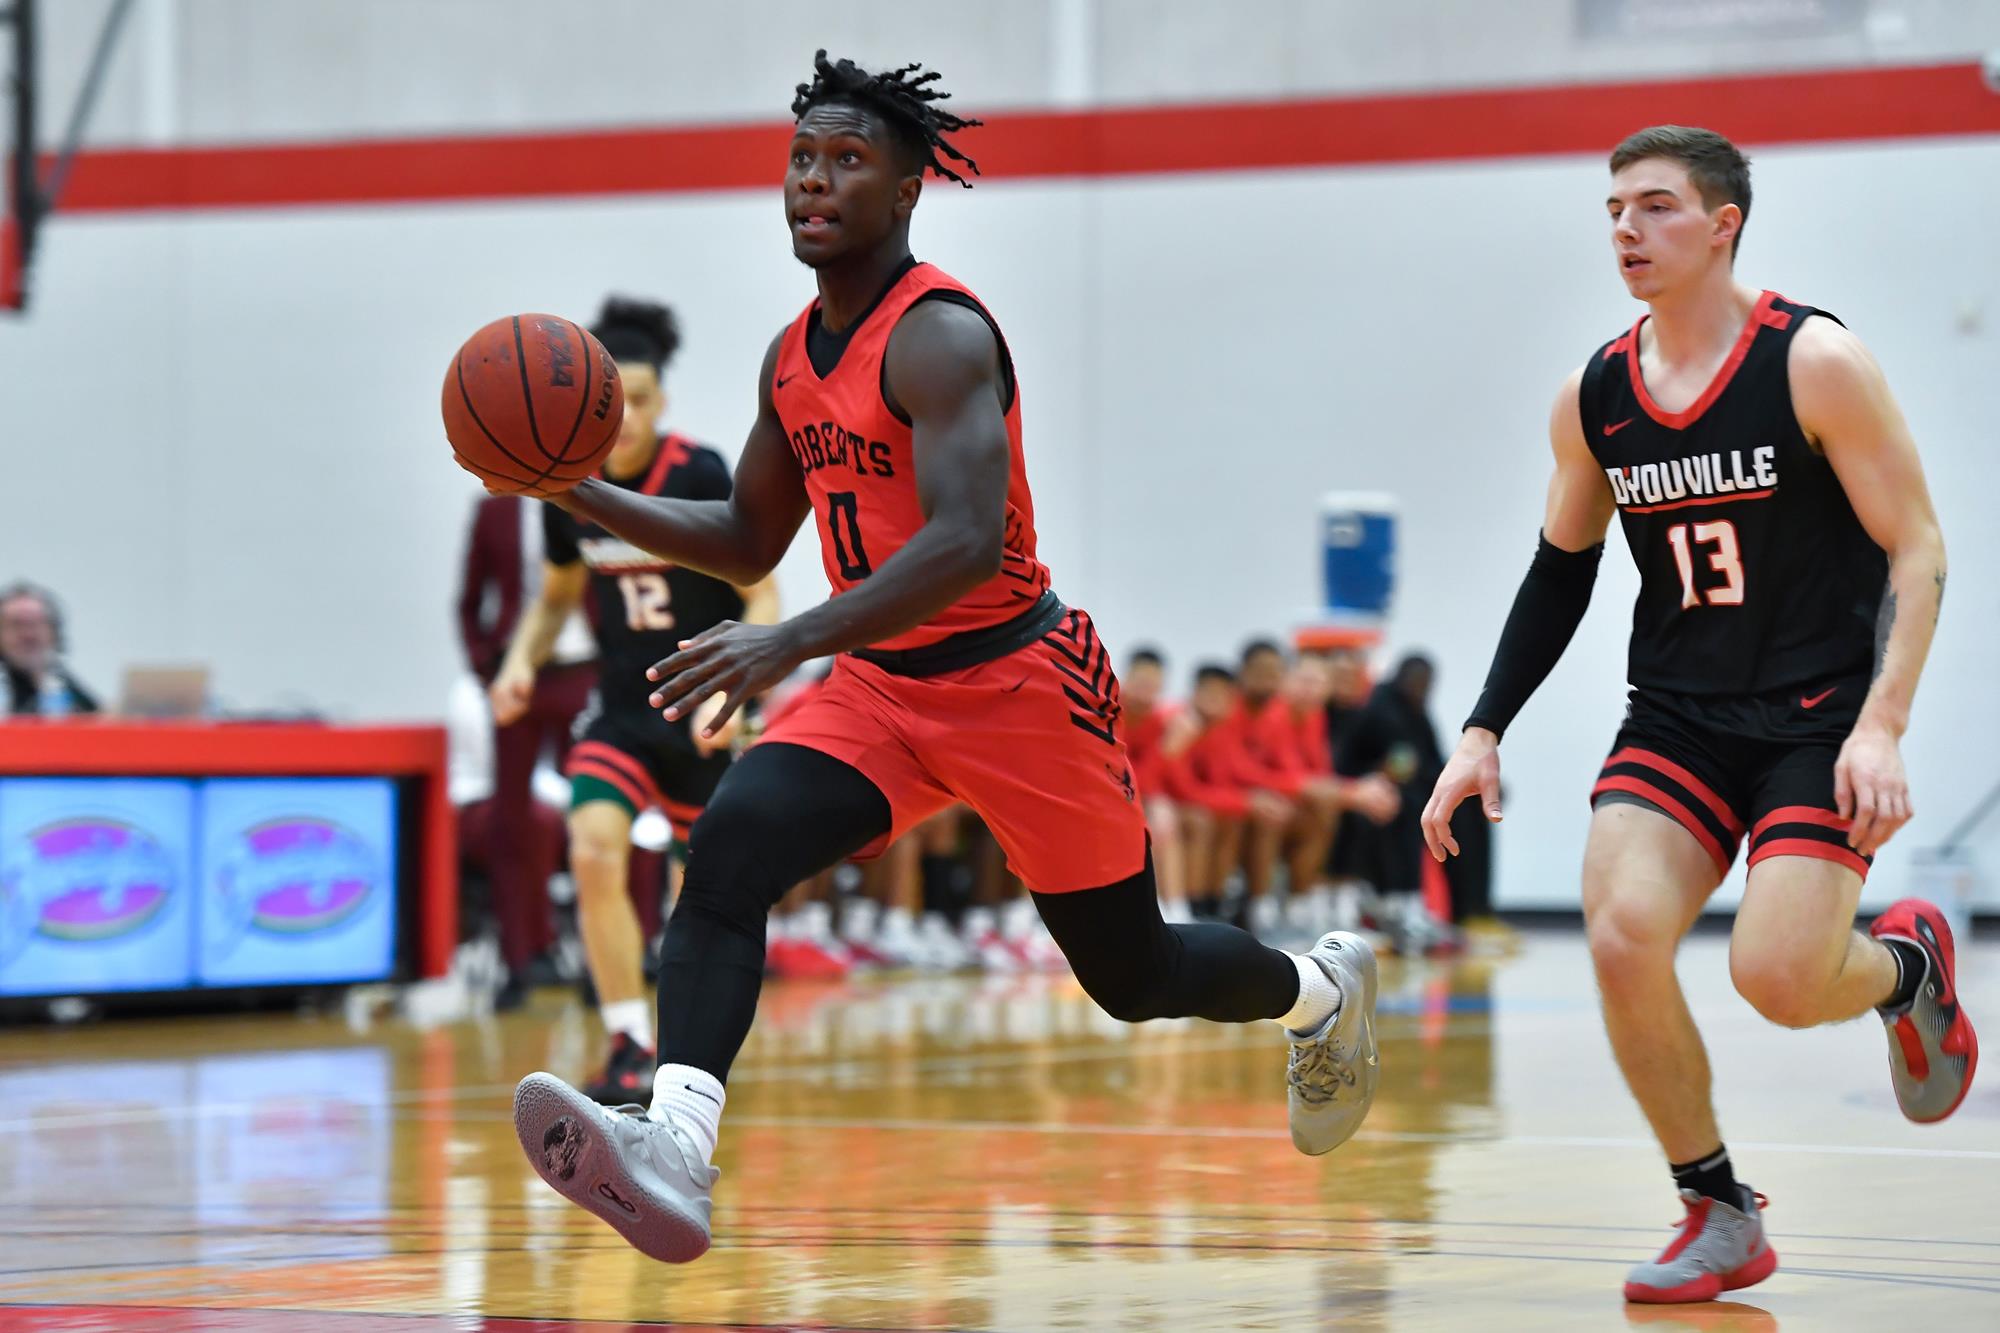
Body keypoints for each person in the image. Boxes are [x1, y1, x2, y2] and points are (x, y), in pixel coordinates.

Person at [510, 51, 1381, 1265]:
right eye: (801, 159)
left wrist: (787, 638)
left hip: (1018, 683)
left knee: (1133, 976)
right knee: (729, 850)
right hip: (879, 687)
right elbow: (748, 533)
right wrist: (574, 488)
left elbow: (967, 543)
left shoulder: (939, 336)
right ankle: (675, 1146)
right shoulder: (789, 355)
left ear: (908, 188)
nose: (814, 181)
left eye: (847, 160)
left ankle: (1321, 991)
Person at [1421, 126, 1973, 1305]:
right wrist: (1479, 728)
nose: (1626, 228)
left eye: (1655, 206)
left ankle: (1904, 968)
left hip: (1816, 716)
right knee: (1620, 932)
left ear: (1722, 225)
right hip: (1676, 715)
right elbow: (1558, 569)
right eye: (1613, 209)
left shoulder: (1812, 360)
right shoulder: (1594, 394)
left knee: (1776, 979)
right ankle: (1715, 1207)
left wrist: (1880, 723)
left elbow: (1916, 547)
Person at [492, 296, 780, 1107]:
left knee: (710, 894)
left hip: (701, 709)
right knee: (591, 844)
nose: (629, 419)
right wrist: (518, 661)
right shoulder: (566, 489)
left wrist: (736, 682)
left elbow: (761, 594)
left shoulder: (700, 474)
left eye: (644, 401)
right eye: (617, 404)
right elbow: (557, 597)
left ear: (663, 401)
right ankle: (626, 1038)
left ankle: (691, 1062)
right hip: (621, 707)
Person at [457, 492, 599, 1004]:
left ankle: (599, 962)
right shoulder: (494, 510)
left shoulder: (593, 496)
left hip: (584, 669)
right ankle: (520, 960)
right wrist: (485, 667)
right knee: (511, 823)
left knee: (597, 811)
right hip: (517, 674)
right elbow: (469, 600)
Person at [1, 583, 99, 716]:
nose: (28, 635)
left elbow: (100, 720)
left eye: (35, 624)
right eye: (17, 625)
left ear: (54, 633)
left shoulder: (66, 689)